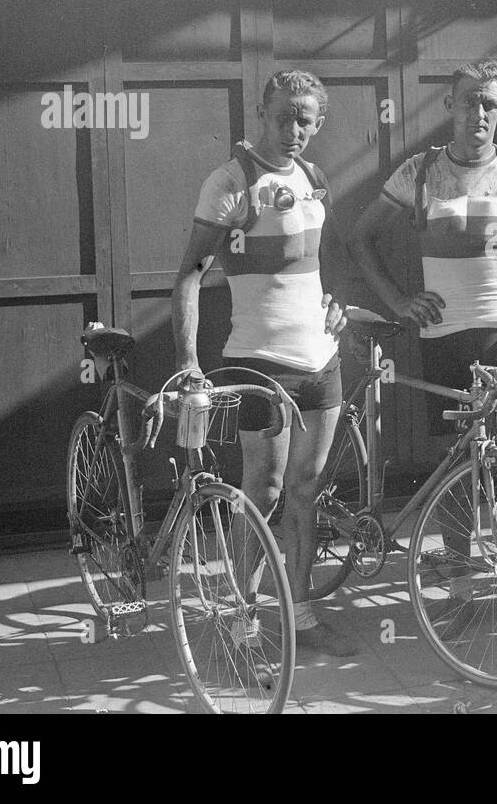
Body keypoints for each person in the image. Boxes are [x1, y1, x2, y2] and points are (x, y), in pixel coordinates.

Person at [349, 59, 497, 637]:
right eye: (468, 100)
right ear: (450, 105)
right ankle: (461, 594)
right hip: (445, 341)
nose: (478, 112)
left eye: (489, 102)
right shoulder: (419, 171)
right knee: (455, 471)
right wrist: (399, 302)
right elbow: (361, 239)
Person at [172, 70, 358, 656]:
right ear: (261, 113)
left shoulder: (315, 179)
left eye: (305, 119)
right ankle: (242, 622)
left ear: (318, 123)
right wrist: (188, 361)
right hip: (258, 363)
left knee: (305, 491)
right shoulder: (231, 182)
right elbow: (189, 277)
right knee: (264, 490)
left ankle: (300, 616)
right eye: (282, 116)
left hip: (321, 362)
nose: (292, 129)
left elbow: (322, 264)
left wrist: (337, 302)